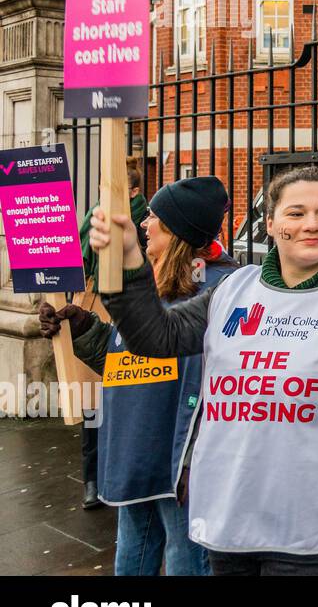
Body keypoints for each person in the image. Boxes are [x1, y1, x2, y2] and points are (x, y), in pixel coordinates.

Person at [89, 166, 318, 576]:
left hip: (316, 525)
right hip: (232, 512)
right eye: (296, 213)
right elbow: (157, 337)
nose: (312, 224)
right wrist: (128, 264)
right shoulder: (232, 290)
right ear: (270, 223)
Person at [42, 176, 239, 575]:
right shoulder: (149, 284)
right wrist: (81, 328)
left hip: (179, 467)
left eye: (154, 217)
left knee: (186, 563)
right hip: (136, 451)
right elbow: (127, 362)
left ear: (178, 231)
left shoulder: (222, 291)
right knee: (130, 563)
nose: (144, 224)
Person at [74, 157, 147, 509]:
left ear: (132, 191)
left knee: (119, 400)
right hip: (91, 302)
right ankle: (92, 479)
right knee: (91, 400)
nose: (105, 198)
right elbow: (75, 260)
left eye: (113, 190)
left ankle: (121, 473)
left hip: (126, 312)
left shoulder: (146, 223)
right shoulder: (92, 220)